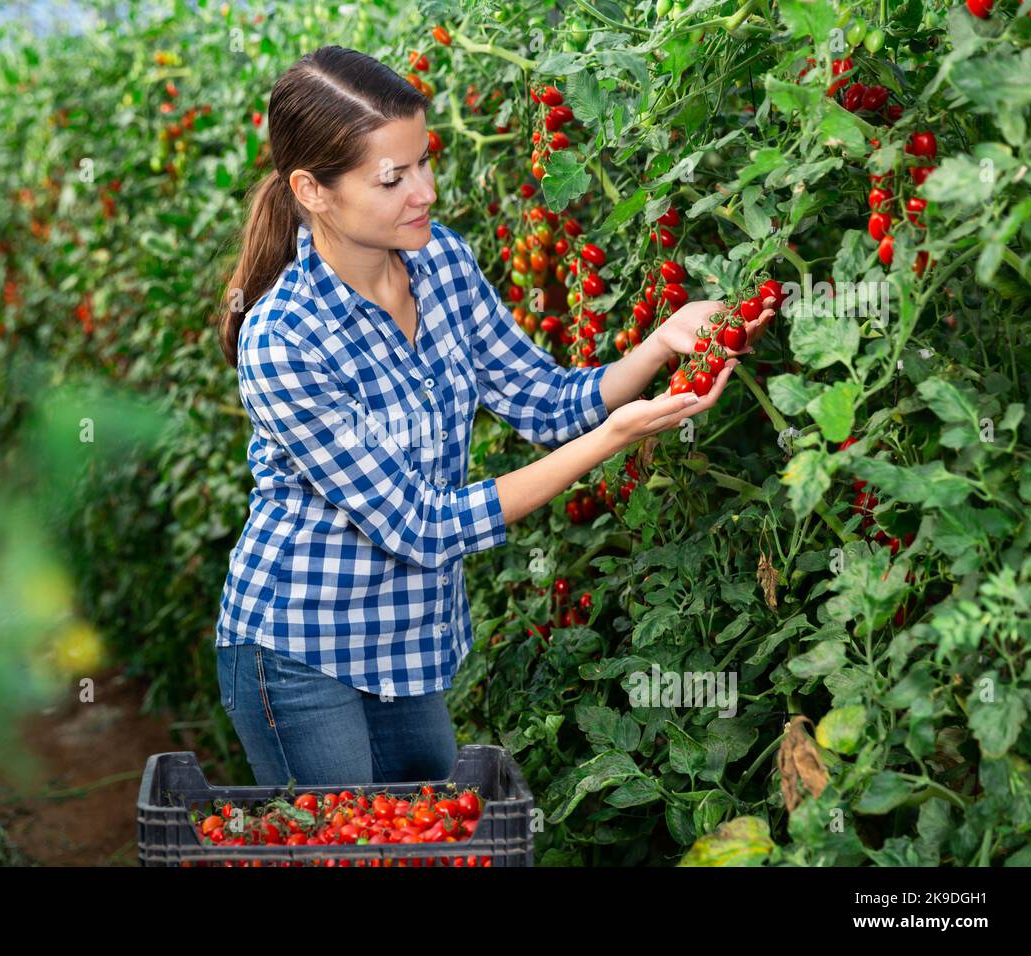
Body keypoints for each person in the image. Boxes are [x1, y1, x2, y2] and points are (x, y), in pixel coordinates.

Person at [210, 46, 774, 789]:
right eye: (393, 178)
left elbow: (542, 401)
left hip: (403, 644)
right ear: (312, 190)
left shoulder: (440, 261)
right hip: (297, 650)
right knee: (345, 843)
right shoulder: (284, 338)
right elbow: (420, 525)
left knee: (429, 839)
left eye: (423, 163)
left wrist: (657, 349)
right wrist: (618, 435)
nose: (426, 192)